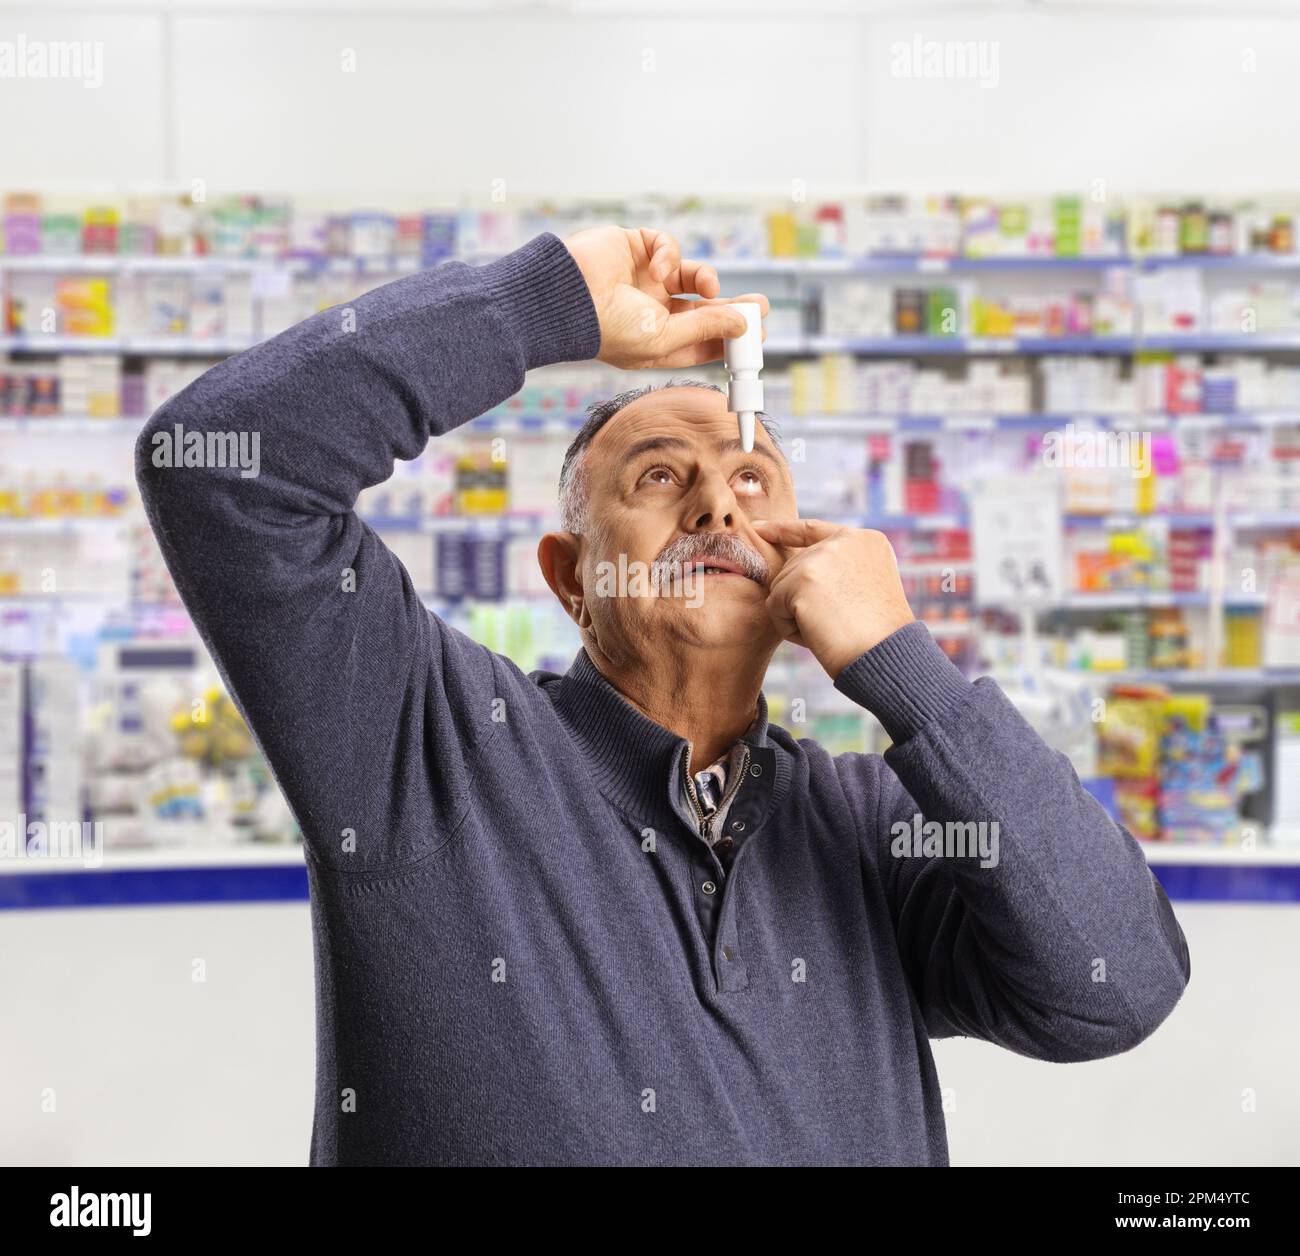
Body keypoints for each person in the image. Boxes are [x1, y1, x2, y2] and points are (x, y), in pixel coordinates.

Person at [135, 225, 1191, 1166]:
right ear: (570, 577)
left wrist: (907, 668)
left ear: (803, 563)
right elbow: (225, 470)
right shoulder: (428, 742)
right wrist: (540, 304)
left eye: (751, 480)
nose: (713, 508)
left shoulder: (873, 829)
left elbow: (1118, 986)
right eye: (656, 477)